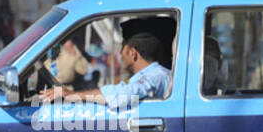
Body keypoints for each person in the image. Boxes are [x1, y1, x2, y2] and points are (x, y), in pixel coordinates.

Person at [40, 32, 170, 110]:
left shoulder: (154, 76)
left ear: (133, 53)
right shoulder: (146, 75)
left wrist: (71, 95)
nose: (119, 54)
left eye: (122, 50)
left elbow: (121, 95)